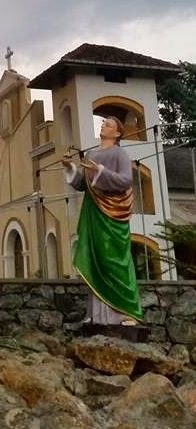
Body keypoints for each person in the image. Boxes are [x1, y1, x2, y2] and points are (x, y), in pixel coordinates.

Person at [63, 116, 143, 327]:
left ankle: (126, 310)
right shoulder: (91, 154)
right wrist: (71, 168)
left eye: (108, 124)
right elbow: (84, 184)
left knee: (114, 260)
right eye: (103, 123)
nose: (103, 125)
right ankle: (97, 315)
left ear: (117, 133)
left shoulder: (119, 154)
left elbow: (126, 180)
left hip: (113, 215)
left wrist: (99, 171)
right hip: (93, 211)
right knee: (95, 257)